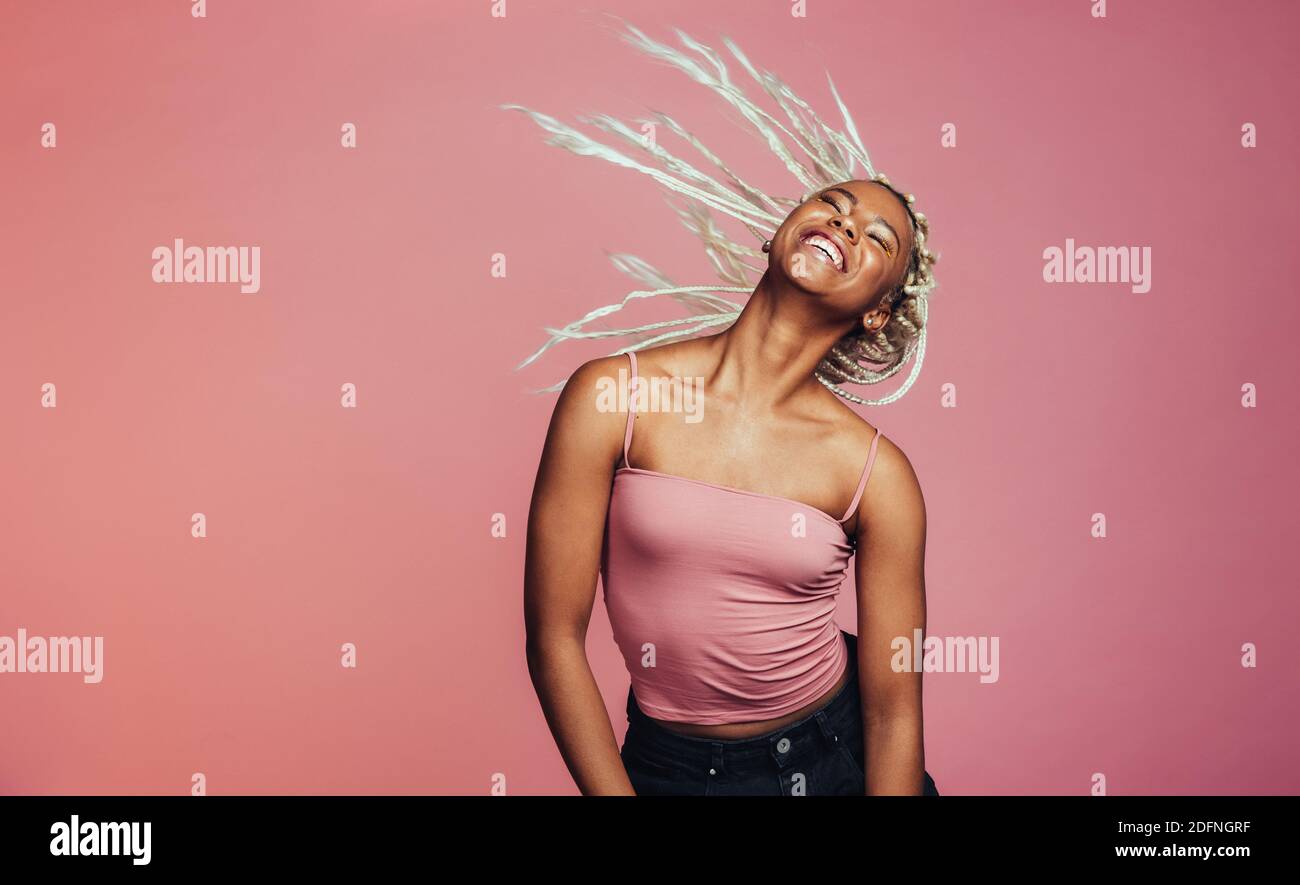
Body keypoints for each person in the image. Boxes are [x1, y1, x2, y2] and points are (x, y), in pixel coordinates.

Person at [515, 20, 941, 796]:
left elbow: (893, 716)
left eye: (876, 238)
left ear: (877, 311)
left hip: (829, 756)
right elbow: (553, 637)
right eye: (834, 204)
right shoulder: (614, 396)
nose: (846, 222)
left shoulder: (877, 476)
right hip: (664, 769)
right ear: (787, 226)